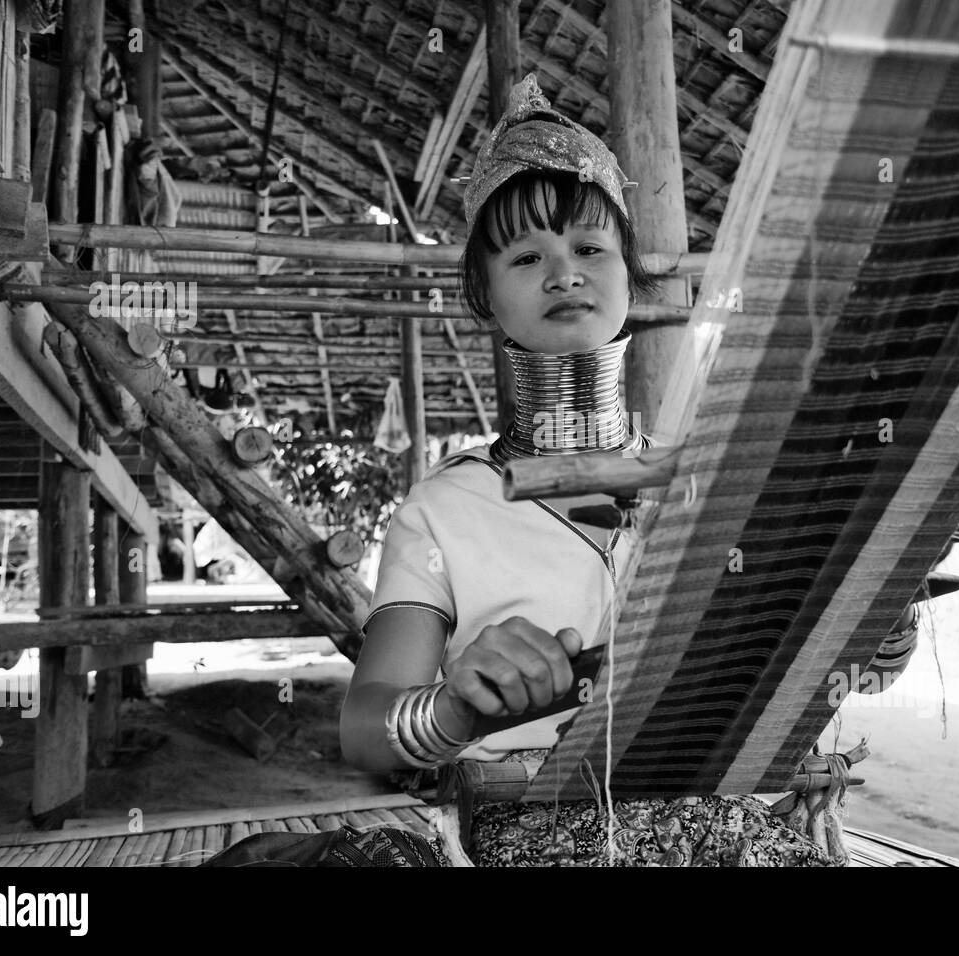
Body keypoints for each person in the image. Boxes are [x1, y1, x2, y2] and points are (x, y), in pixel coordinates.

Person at [333, 74, 837, 867]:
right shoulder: (444, 511)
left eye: (590, 248)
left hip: (720, 828)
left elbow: (825, 670)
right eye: (527, 255)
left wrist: (886, 621)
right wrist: (459, 708)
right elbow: (365, 732)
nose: (564, 272)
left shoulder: (704, 478)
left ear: (628, 276)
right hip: (542, 838)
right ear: (483, 295)